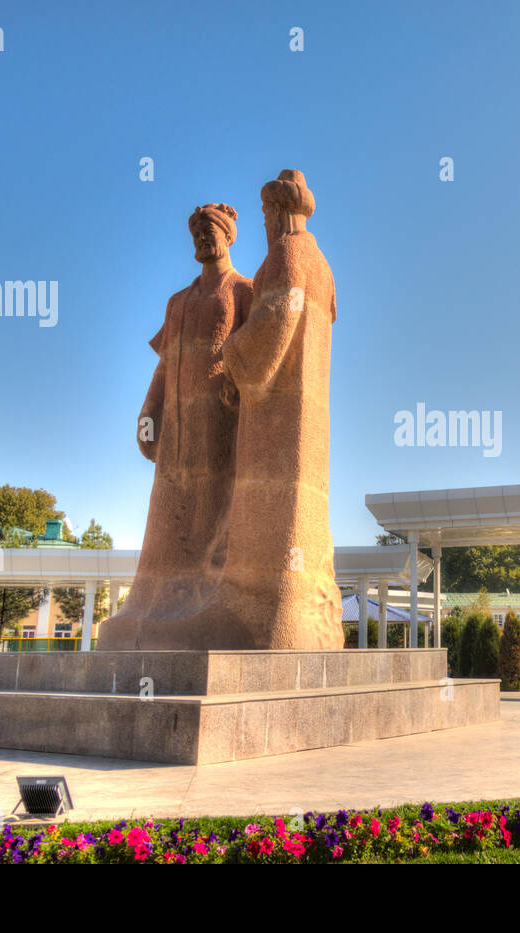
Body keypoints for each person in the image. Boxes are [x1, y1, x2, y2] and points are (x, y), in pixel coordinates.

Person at [97, 204, 253, 650]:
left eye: (211, 231)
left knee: (214, 513)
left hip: (220, 423)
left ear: (228, 236)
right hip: (177, 430)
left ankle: (206, 598)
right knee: (167, 516)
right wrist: (149, 411)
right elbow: (164, 365)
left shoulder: (244, 291)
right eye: (197, 233)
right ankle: (153, 602)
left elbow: (257, 357)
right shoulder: (178, 302)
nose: (204, 239)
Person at [216, 170, 344, 649]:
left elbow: (274, 323)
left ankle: (263, 612)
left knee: (269, 513)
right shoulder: (322, 262)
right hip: (305, 421)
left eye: (267, 213)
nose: (266, 222)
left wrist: (231, 358)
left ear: (280, 212)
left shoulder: (287, 254)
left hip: (275, 413)